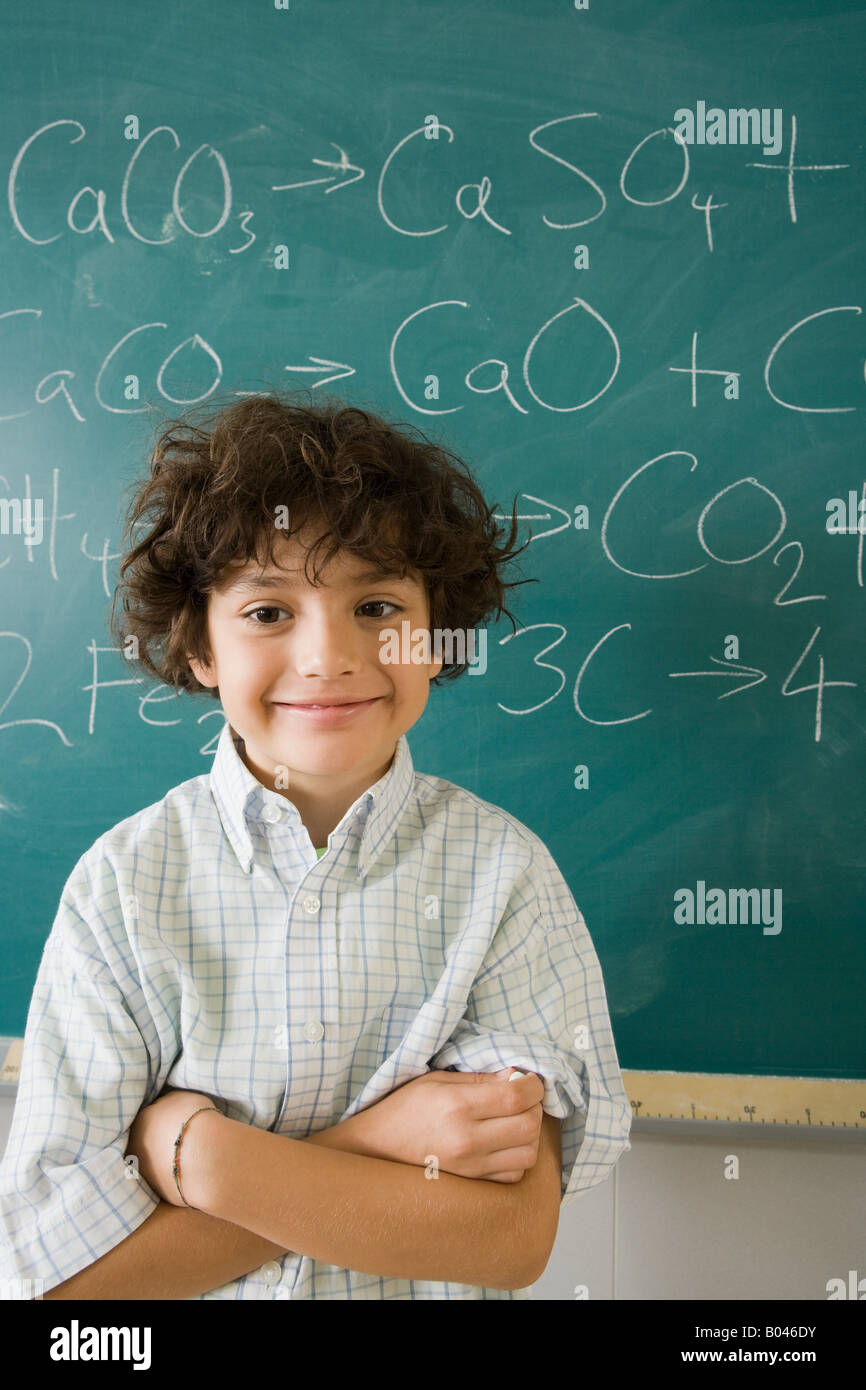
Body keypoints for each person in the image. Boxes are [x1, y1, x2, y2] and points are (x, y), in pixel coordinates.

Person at [0, 392, 631, 1299]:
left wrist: (202, 1154)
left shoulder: (503, 875)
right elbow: (66, 1294)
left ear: (434, 637)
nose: (329, 655)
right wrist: (377, 1142)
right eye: (267, 612)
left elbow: (505, 1237)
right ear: (199, 645)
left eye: (376, 604)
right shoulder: (125, 888)